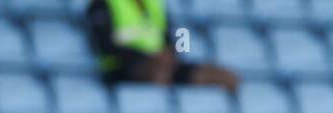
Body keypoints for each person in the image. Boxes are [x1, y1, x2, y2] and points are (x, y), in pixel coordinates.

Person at [85, 0, 239, 91]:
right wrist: (150, 57)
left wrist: (173, 53)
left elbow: (174, 36)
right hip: (122, 68)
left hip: (161, 63)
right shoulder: (102, 4)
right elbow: (103, 45)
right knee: (157, 68)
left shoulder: (155, 4)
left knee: (222, 76)